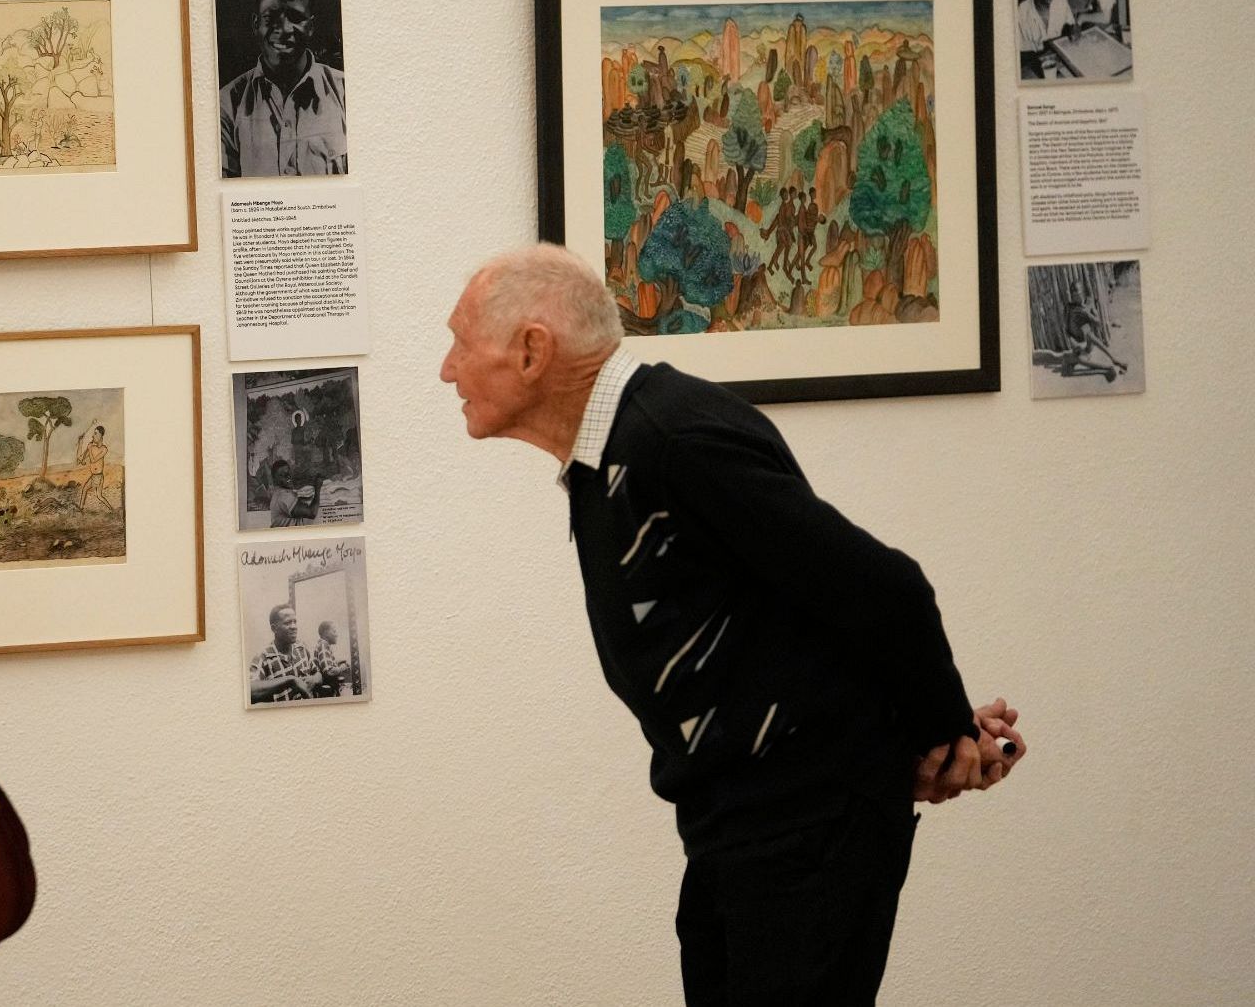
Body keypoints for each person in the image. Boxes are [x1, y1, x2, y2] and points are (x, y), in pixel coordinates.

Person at [438, 245, 1027, 1005]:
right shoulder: (610, 454)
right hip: (736, 832)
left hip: (804, 835)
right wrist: (917, 732)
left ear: (531, 351)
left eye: (459, 342)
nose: (447, 370)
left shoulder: (671, 438)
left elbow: (884, 588)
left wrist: (942, 735)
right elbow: (779, 622)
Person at [219, 0, 348, 178]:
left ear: (312, 26)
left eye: (296, 17)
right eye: (270, 17)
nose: (285, 29)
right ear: (255, 25)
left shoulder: (345, 93)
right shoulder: (227, 106)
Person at [249, 604, 326, 703]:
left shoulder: (301, 648)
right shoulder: (263, 657)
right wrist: (290, 681)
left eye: (295, 622)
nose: (294, 627)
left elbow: (318, 673)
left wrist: (314, 679)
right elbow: (250, 690)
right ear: (274, 628)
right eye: (287, 623)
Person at [1018, 0, 1072, 78]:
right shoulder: (1022, 11)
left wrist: (1074, 28)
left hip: (1063, 63)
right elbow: (1021, 53)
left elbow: (1070, 25)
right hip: (1038, 68)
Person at [266, 459, 317, 527]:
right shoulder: (283, 495)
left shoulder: (279, 493)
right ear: (274, 479)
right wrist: (318, 488)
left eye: (289, 473)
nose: (288, 477)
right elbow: (312, 513)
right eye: (282, 475)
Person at [75, 424, 114, 512]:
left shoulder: (104, 449)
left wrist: (89, 448)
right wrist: (80, 444)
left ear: (101, 435)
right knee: (99, 495)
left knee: (86, 490)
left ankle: (81, 508)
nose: (93, 436)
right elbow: (80, 460)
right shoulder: (92, 447)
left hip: (98, 477)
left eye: (95, 433)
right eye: (94, 434)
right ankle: (111, 509)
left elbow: (93, 460)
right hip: (95, 476)